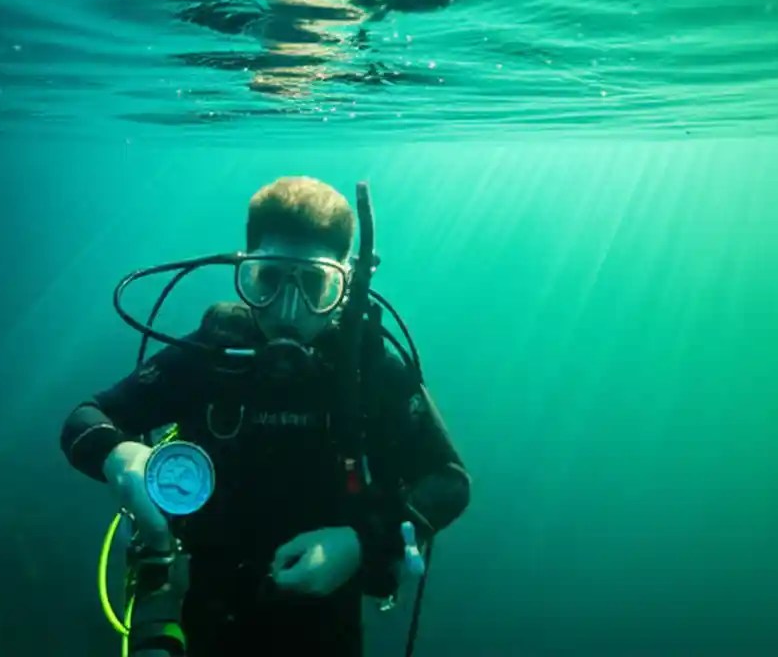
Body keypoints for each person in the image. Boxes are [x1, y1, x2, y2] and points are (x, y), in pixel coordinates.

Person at [60, 176, 471, 656]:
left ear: (346, 284)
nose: (288, 310)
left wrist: (360, 543)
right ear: (246, 271)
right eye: (270, 279)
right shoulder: (212, 355)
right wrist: (120, 457)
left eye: (314, 284)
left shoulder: (368, 369)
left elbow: (448, 480)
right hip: (205, 608)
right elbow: (86, 419)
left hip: (325, 625)